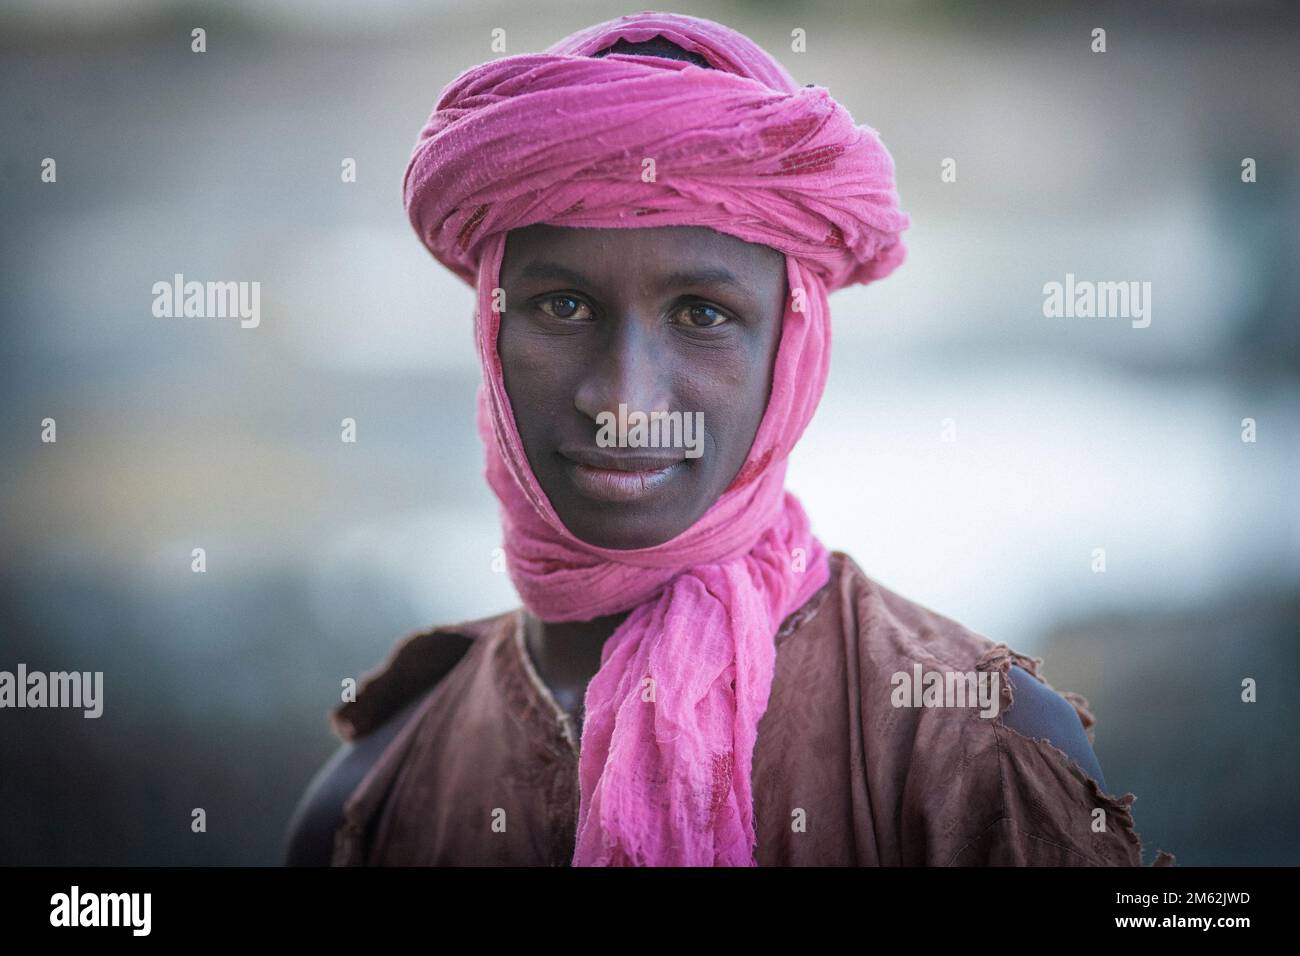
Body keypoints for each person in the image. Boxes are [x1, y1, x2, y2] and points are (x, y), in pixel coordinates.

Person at [284, 12, 1174, 867]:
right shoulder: (371, 802)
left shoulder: (974, 757)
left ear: (794, 351)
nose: (624, 402)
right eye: (563, 307)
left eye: (703, 314)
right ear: (492, 329)